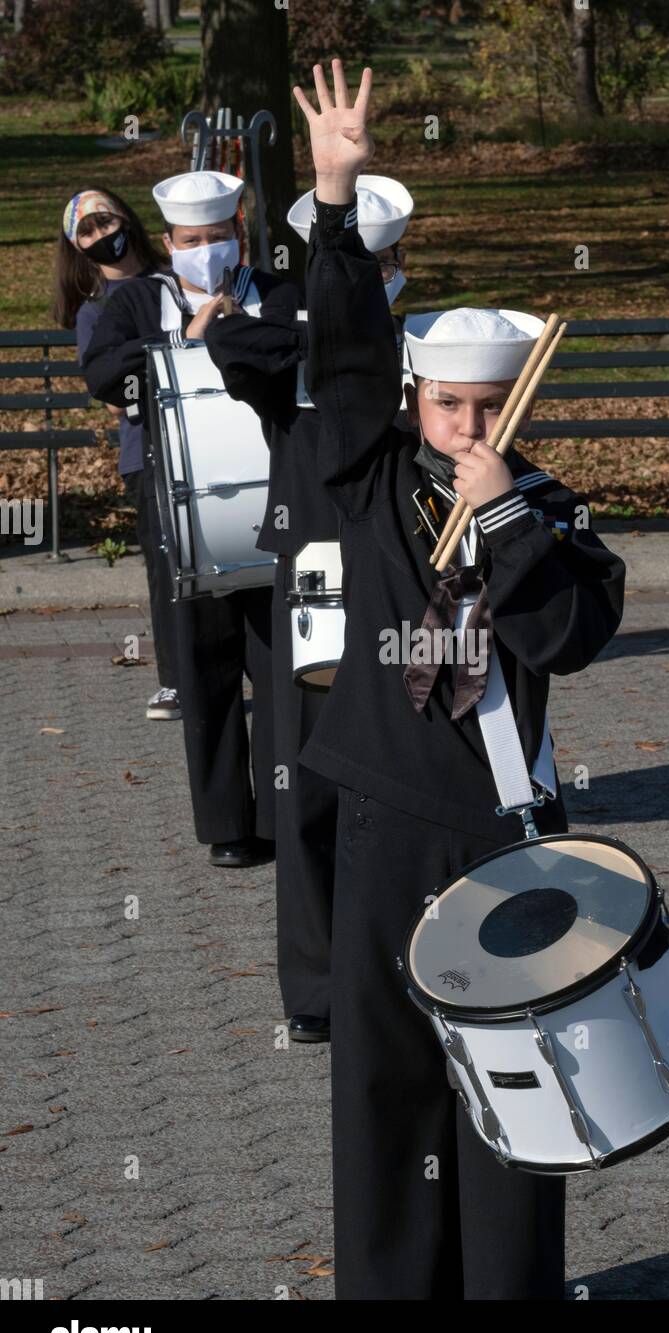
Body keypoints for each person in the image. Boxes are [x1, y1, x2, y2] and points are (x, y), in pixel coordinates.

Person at [292, 59, 626, 1299]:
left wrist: (512, 525)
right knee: (381, 1077)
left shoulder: (545, 506)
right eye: (446, 407)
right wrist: (336, 198)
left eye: (490, 408)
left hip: (499, 825)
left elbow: (572, 637)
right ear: (415, 400)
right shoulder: (368, 472)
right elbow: (339, 353)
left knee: (510, 1087)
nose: (467, 429)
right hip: (381, 810)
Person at [205, 174, 414, 1038]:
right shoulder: (287, 338)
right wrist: (326, 331)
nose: (371, 270)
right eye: (351, 257)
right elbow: (232, 347)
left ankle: (411, 962)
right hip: (321, 572)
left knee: (407, 772)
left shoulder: (426, 342)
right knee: (311, 778)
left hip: (409, 576)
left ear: (400, 259)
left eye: (379, 256)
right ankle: (321, 988)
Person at [82, 171, 281, 868]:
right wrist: (184, 343)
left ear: (239, 236)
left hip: (275, 505)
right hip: (179, 502)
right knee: (205, 667)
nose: (206, 250)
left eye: (218, 236)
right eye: (191, 240)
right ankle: (229, 826)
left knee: (281, 667)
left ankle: (287, 814)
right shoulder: (137, 299)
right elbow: (105, 373)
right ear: (167, 243)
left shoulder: (274, 294)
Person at [56, 187, 180, 719]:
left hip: (216, 449)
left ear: (126, 217)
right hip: (146, 453)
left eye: (105, 220)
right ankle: (176, 680)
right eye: (87, 231)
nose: (101, 234)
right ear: (77, 249)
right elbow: (110, 389)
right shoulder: (95, 313)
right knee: (168, 569)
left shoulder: (179, 279)